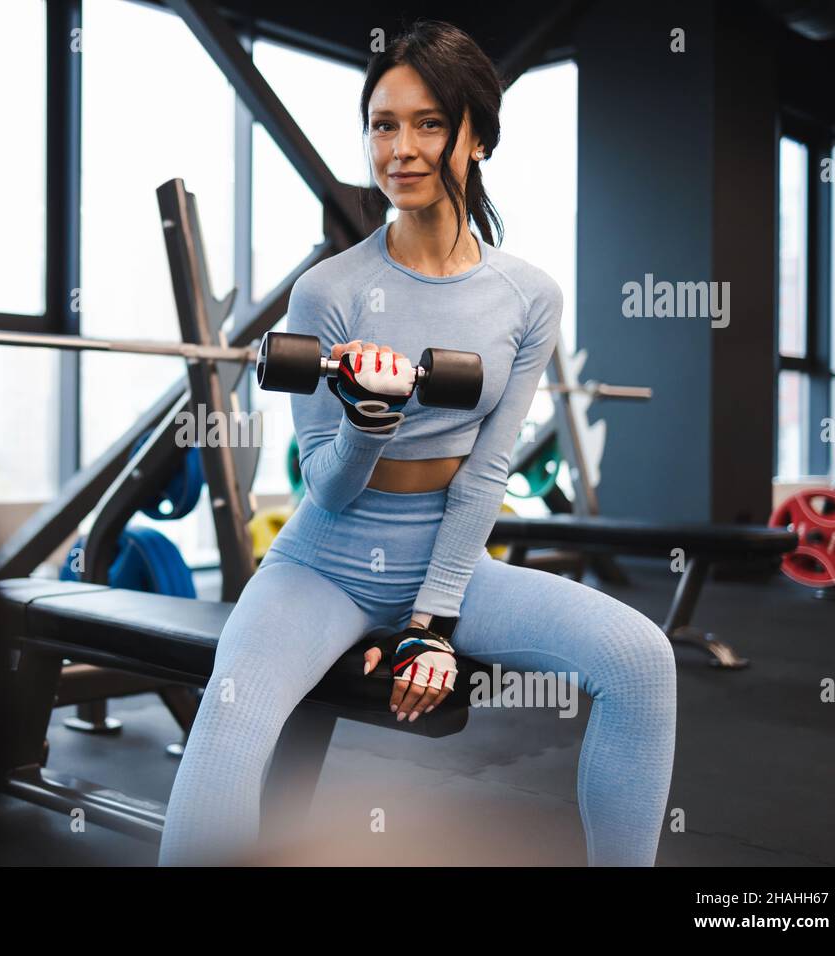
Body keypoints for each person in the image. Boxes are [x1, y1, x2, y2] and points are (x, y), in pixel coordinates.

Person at [158, 19, 675, 867]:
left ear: (477, 136)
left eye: (427, 123)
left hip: (454, 561)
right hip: (324, 563)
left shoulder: (528, 296)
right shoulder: (328, 291)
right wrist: (370, 417)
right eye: (382, 124)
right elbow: (324, 487)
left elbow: (487, 472)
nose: (399, 147)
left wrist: (431, 625)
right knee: (234, 709)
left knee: (642, 661)